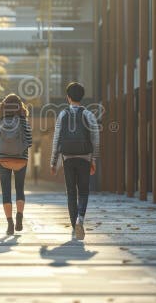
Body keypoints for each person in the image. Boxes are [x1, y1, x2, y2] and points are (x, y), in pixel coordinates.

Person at [50, 82, 100, 241]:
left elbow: (56, 139)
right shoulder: (89, 115)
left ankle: (74, 226)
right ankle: (81, 220)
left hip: (68, 157)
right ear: (82, 96)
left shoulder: (63, 114)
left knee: (71, 192)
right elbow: (96, 139)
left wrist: (53, 161)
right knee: (84, 191)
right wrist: (94, 159)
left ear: (68, 97)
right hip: (85, 157)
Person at [0, 94, 32, 235]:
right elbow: (29, 141)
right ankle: (19, 218)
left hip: (2, 159)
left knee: (6, 191)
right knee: (20, 189)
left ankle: (10, 224)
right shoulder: (23, 121)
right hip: (21, 160)